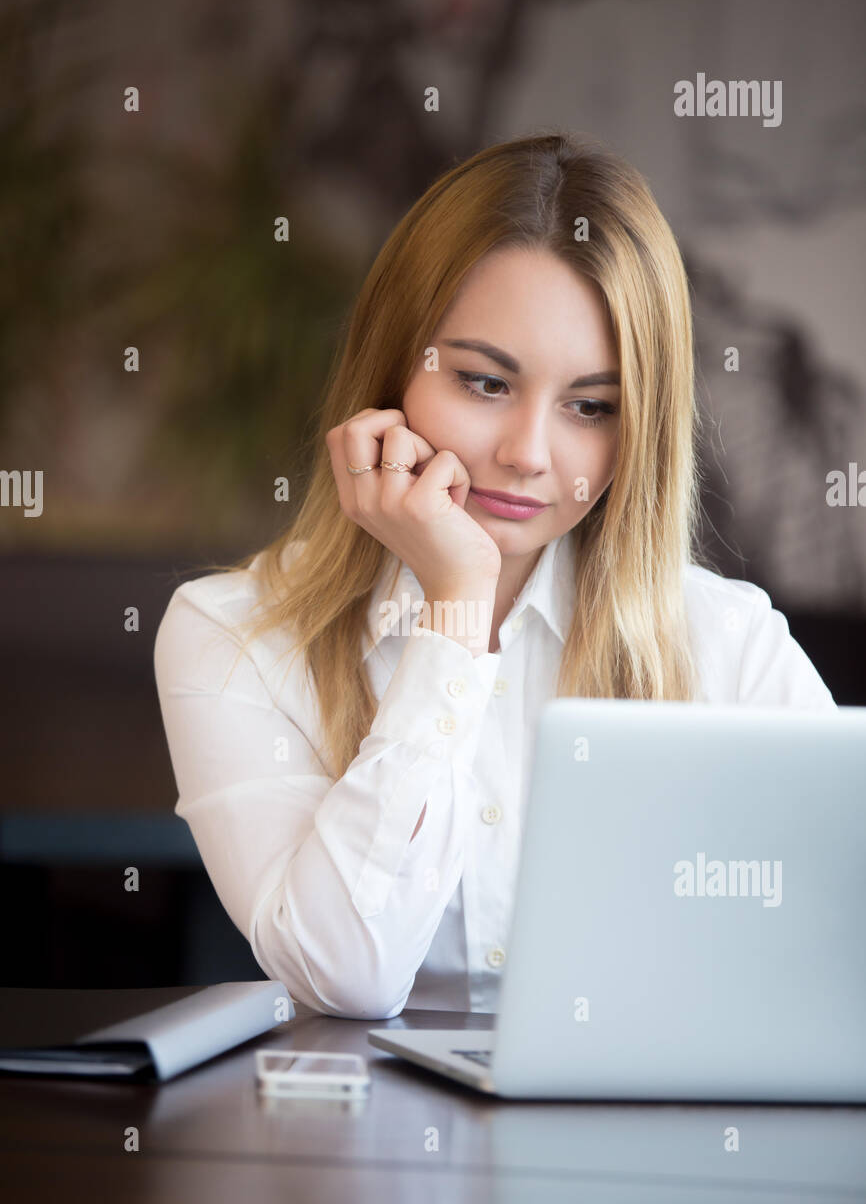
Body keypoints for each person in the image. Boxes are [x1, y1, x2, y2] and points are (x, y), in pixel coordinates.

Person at [154, 131, 836, 1020]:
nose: (525, 455)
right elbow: (344, 975)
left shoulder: (727, 644)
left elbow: (832, 946)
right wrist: (456, 612)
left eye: (591, 407)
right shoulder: (232, 635)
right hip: (350, 1158)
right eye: (483, 383)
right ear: (390, 367)